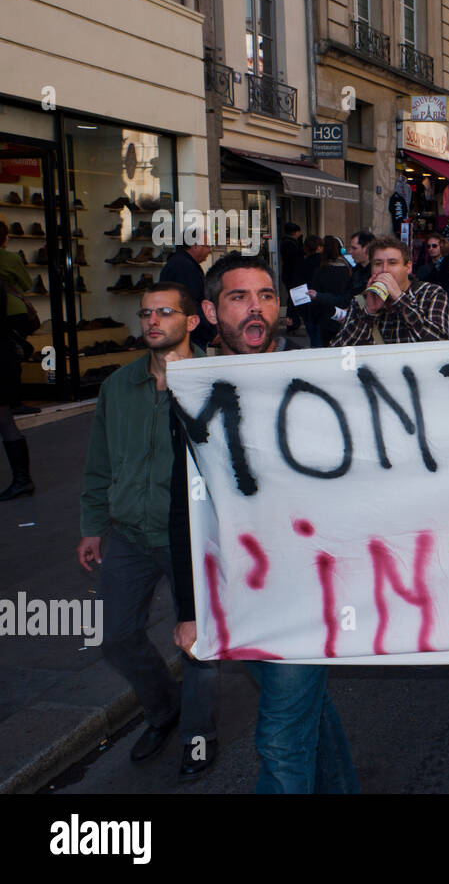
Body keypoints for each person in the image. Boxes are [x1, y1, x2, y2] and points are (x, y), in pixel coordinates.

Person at [174, 252, 359, 793]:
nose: (256, 310)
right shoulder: (192, 388)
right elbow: (179, 504)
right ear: (210, 310)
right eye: (239, 298)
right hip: (239, 587)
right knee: (307, 711)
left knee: (280, 738)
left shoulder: (318, 374)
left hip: (309, 588)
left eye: (266, 297)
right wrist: (191, 609)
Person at [78, 282, 219, 780]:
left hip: (193, 537)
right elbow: (99, 464)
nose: (152, 321)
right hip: (129, 536)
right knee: (116, 637)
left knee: (197, 644)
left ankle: (198, 737)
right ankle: (165, 711)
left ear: (192, 320)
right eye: (145, 314)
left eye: (164, 312)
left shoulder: (214, 379)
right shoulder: (118, 387)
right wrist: (93, 526)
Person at [330, 236, 449, 346]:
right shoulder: (360, 301)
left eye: (392, 263)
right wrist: (369, 312)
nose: (384, 270)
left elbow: (439, 342)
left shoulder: (431, 293)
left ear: (408, 267)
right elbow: (339, 351)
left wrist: (400, 299)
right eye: (378, 263)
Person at [0, 223, 34, 500]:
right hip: (6, 347)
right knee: (5, 419)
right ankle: (22, 479)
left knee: (4, 418)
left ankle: (22, 479)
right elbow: (26, 284)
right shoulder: (9, 260)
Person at [159, 237, 215, 348]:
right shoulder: (184, 267)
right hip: (188, 335)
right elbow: (190, 304)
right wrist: (212, 333)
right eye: (207, 246)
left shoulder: (181, 263)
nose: (209, 251)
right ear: (195, 245)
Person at [306, 235, 353, 347]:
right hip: (344, 315)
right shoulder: (349, 270)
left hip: (325, 317)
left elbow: (315, 298)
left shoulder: (320, 271)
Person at [279, 223, 305, 331]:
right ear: (295, 232)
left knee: (293, 299)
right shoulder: (290, 244)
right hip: (292, 275)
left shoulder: (286, 242)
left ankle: (293, 323)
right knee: (294, 300)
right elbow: (297, 257)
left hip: (289, 274)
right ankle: (292, 323)